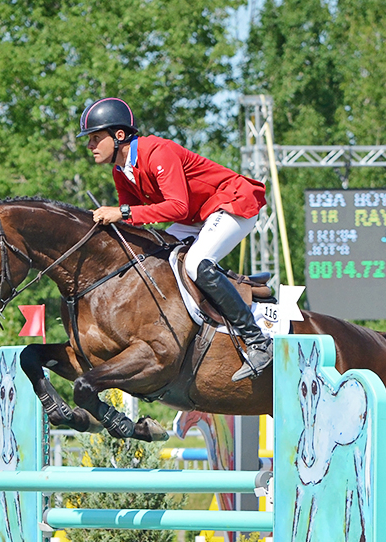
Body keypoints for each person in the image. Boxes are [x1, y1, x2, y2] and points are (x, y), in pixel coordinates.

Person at [78, 98, 273, 381]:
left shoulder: (158, 152)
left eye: (96, 138)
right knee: (159, 255)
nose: (90, 146)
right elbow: (137, 219)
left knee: (196, 262)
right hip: (197, 215)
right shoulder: (121, 172)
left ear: (119, 135)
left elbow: (176, 207)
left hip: (230, 203)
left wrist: (119, 212)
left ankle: (257, 341)